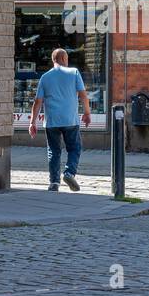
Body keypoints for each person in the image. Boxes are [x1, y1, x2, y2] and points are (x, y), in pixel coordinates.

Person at [28, 48, 92, 191]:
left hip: (52, 122)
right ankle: (69, 173)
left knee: (54, 151)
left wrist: (33, 122)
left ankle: (54, 183)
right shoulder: (74, 72)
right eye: (67, 59)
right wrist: (87, 113)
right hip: (70, 120)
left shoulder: (45, 77)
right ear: (64, 59)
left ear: (53, 60)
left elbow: (37, 102)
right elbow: (83, 95)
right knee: (74, 148)